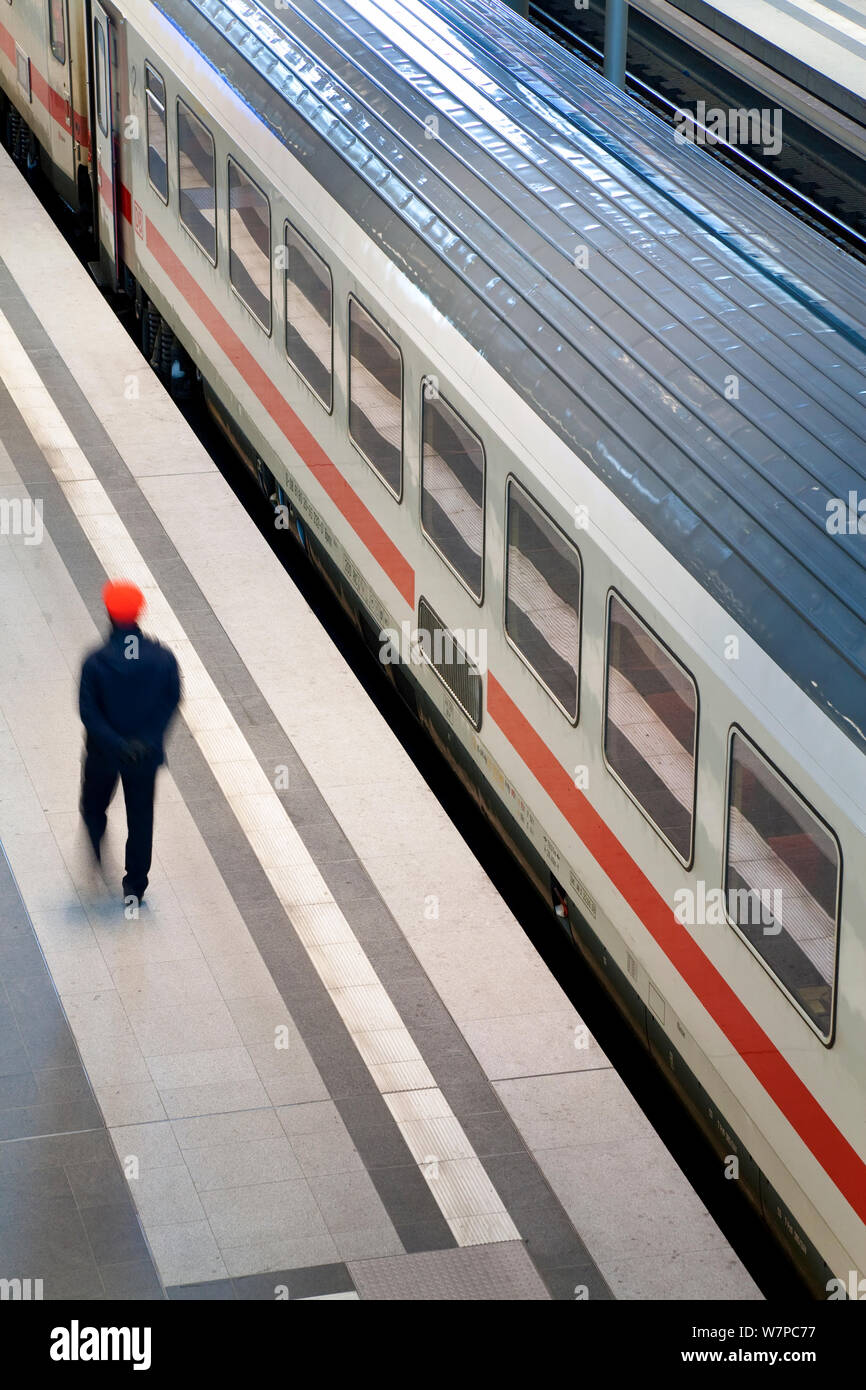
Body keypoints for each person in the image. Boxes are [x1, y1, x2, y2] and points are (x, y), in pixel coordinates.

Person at [78, 581, 181, 904]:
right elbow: (171, 701)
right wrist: (147, 740)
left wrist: (117, 744)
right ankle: (134, 887)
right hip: (145, 757)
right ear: (140, 612)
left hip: (104, 755)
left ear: (109, 612)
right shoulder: (162, 659)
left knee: (93, 807)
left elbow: (88, 712)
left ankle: (96, 856)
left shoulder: (96, 661)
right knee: (140, 818)